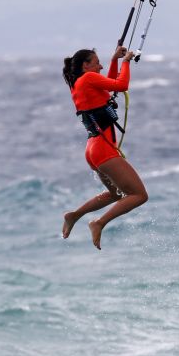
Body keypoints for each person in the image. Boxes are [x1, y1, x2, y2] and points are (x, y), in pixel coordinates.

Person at [61, 45, 148, 250]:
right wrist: (126, 61)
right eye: (97, 62)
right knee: (139, 195)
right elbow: (121, 85)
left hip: (93, 149)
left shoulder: (78, 84)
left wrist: (115, 60)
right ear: (85, 65)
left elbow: (108, 86)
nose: (100, 66)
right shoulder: (88, 79)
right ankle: (98, 222)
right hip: (102, 149)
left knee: (116, 195)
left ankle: (75, 215)